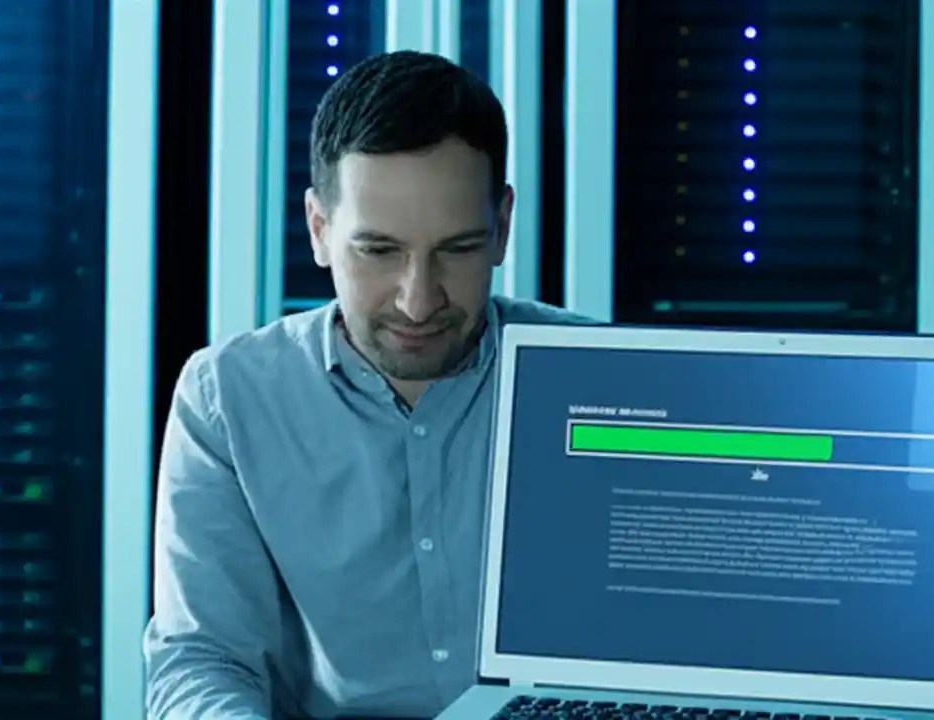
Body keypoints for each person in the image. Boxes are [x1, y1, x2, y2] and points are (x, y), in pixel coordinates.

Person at [143, 50, 595, 720]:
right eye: (379, 251)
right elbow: (203, 658)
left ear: (502, 227)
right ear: (319, 230)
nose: (419, 301)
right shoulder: (227, 399)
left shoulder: (599, 374)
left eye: (458, 249)